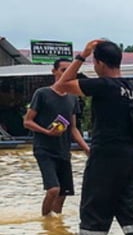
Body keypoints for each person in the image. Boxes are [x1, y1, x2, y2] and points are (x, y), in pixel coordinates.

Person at [52, 39, 133, 235]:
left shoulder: (103, 85)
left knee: (95, 204)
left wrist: (81, 56)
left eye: (93, 62)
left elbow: (61, 85)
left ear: (99, 63)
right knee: (127, 203)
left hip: (107, 155)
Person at [23, 58, 90, 216]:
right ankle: (45, 222)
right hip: (44, 149)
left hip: (63, 150)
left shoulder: (72, 97)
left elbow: (73, 128)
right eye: (62, 70)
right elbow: (27, 121)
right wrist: (47, 132)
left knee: (63, 194)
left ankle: (55, 227)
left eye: (70, 70)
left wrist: (86, 148)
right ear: (54, 72)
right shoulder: (42, 94)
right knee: (54, 189)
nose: (66, 73)